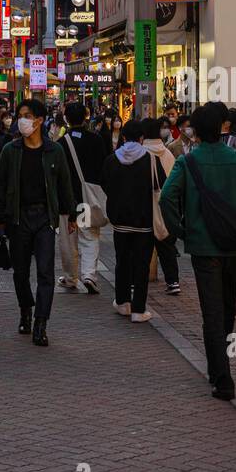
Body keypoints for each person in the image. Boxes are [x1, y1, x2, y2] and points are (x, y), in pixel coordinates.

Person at [160, 103, 236, 400]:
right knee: (228, 306)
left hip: (204, 246)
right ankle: (222, 365)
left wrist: (180, 231)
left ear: (197, 132)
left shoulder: (188, 163)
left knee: (212, 311)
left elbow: (166, 198)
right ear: (223, 127)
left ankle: (221, 374)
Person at [0, 97, 75, 346]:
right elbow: (0, 185)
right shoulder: (11, 150)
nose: (21, 120)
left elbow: (65, 184)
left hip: (44, 218)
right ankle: (25, 310)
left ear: (39, 120)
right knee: (20, 272)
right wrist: (0, 218)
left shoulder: (54, 151)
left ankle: (41, 322)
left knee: (45, 272)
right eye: (20, 115)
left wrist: (70, 215)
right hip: (18, 218)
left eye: (26, 115)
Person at [101, 118, 155, 322]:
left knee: (122, 261)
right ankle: (139, 309)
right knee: (142, 264)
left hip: (120, 220)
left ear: (123, 136)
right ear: (142, 138)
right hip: (144, 221)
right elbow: (161, 186)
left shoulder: (112, 159)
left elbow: (104, 183)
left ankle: (122, 302)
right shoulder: (150, 160)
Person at [57, 101, 108, 295]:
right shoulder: (96, 140)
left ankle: (71, 277)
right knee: (89, 236)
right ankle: (89, 275)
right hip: (87, 198)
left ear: (66, 119)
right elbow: (103, 168)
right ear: (86, 117)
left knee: (68, 240)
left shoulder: (61, 143)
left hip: (67, 200)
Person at [143, 117, 180, 294]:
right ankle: (173, 281)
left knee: (142, 247)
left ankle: (138, 281)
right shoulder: (167, 153)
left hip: (143, 208)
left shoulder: (140, 153)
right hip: (166, 206)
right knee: (166, 245)